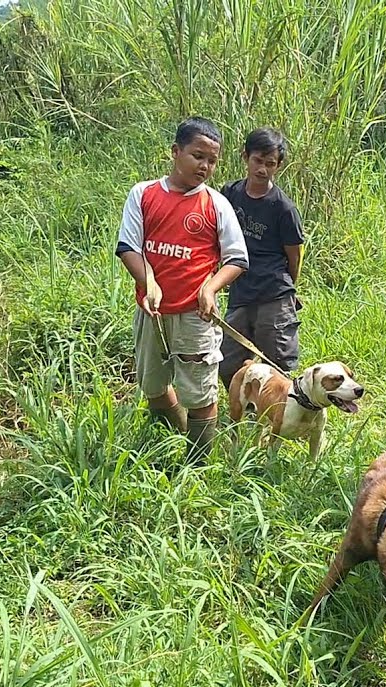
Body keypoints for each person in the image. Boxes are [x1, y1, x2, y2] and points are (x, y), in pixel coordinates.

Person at [116, 116, 248, 462]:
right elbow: (129, 247)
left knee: (200, 392)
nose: (205, 166)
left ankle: (198, 466)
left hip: (196, 315)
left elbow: (236, 258)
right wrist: (150, 282)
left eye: (212, 160)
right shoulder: (143, 194)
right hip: (152, 312)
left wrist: (210, 288)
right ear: (175, 152)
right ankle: (175, 440)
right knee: (153, 387)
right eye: (197, 156)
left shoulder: (216, 204)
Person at [216, 127, 305, 389]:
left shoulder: (283, 208)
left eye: (270, 164)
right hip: (240, 290)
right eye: (257, 161)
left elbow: (294, 255)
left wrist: (287, 290)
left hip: (273, 293)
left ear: (278, 166)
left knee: (277, 364)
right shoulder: (230, 194)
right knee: (227, 361)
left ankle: (278, 419)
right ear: (245, 156)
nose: (262, 169)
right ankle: (244, 410)